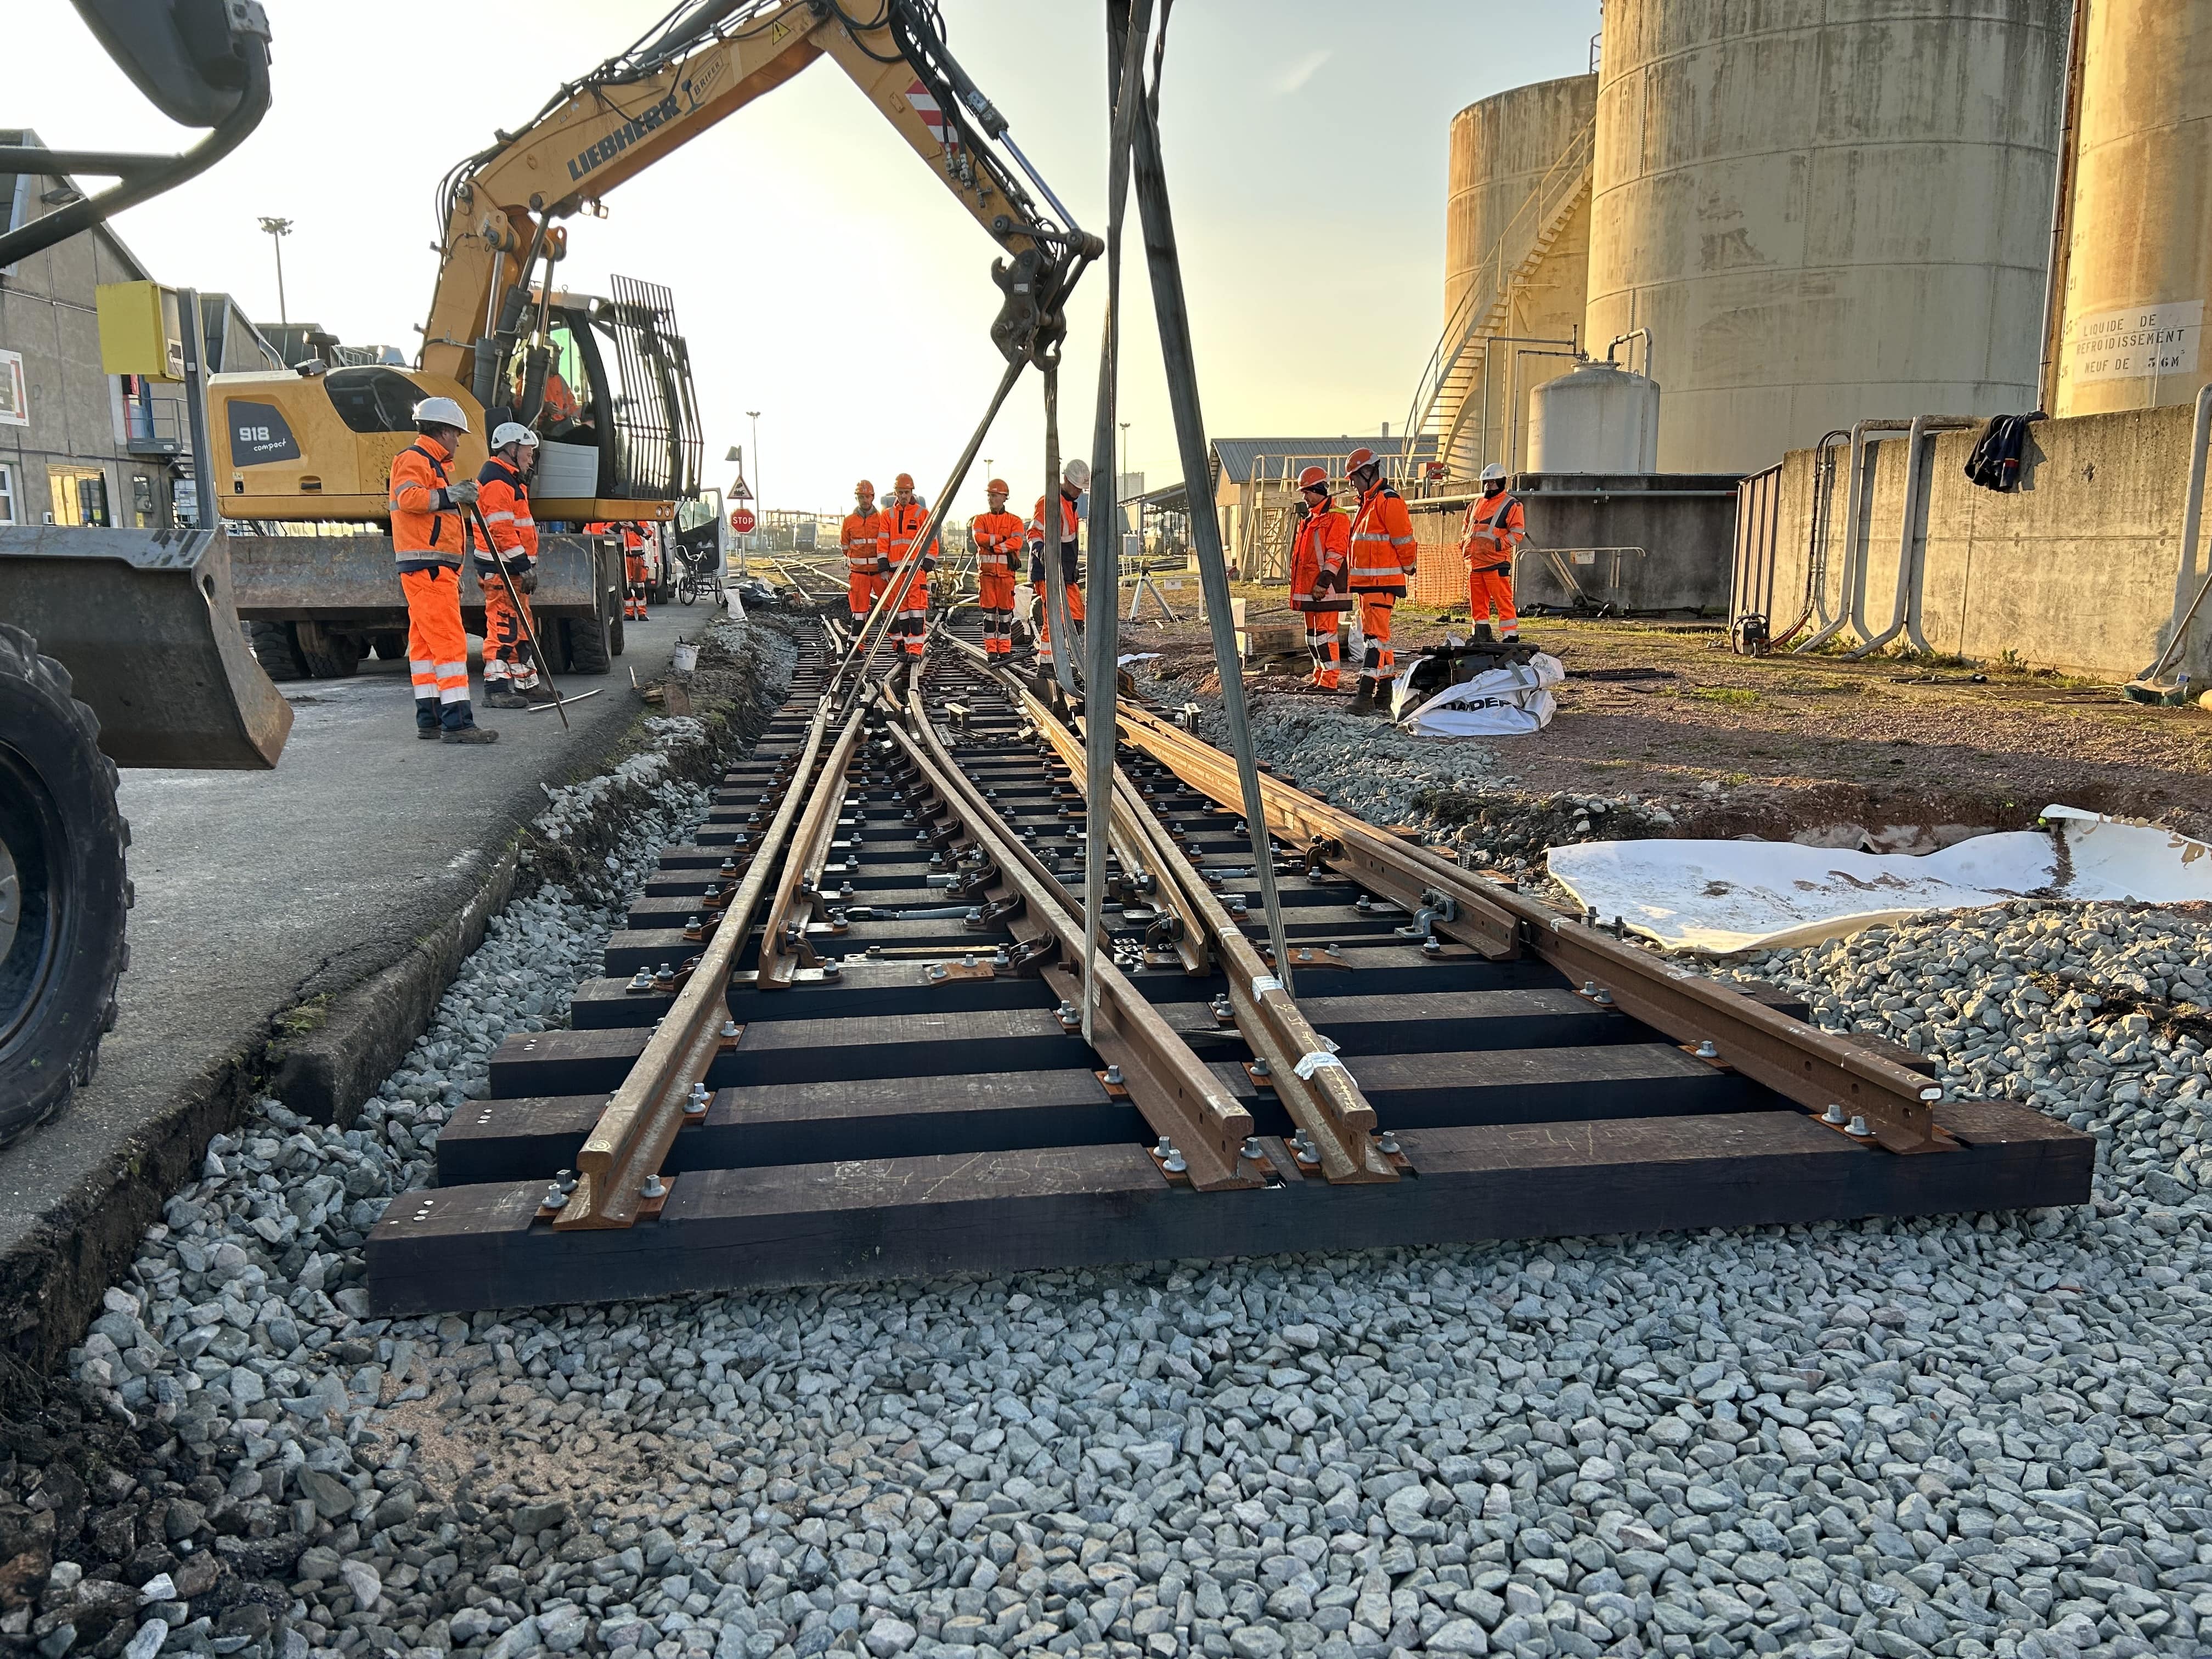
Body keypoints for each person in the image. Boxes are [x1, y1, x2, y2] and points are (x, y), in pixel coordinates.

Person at [388, 396, 495, 743]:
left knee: (424, 649)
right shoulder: (414, 459)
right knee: (450, 645)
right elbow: (409, 500)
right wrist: (452, 494)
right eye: (457, 434)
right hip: (428, 568)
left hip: (433, 569)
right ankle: (458, 724)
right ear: (444, 431)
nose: (460, 441)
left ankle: (430, 718)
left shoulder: (431, 464)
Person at [473, 422, 557, 709]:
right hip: (502, 570)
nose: (531, 459)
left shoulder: (509, 480)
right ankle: (495, 689)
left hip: (511, 570)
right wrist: (523, 565)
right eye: (528, 452)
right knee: (504, 629)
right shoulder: (498, 483)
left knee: (522, 628)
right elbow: (502, 530)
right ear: (512, 449)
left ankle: (526, 684)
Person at [1344, 445, 1417, 715]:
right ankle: (1385, 693)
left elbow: (1404, 539)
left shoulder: (1388, 501)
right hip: (1368, 585)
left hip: (1381, 584)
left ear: (1367, 471)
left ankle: (1364, 695)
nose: (1351, 484)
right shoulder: (1369, 505)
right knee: (1379, 639)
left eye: (1353, 478)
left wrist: (1408, 567)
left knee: (1374, 639)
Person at [1286, 465, 1350, 689]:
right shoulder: (1311, 519)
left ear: (1320, 489)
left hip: (1325, 589)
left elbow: (1336, 554)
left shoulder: (1336, 518)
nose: (1304, 496)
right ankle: (1319, 676)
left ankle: (1330, 680)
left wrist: (1323, 583)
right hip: (1310, 588)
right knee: (1312, 636)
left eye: (1307, 491)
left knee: (1325, 635)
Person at [1029, 459, 1089, 676]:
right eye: (1077, 487)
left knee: (1075, 617)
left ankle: (1059, 659)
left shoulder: (1071, 506)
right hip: (1048, 571)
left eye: (1082, 489)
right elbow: (1034, 533)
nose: (1080, 493)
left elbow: (1068, 541)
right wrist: (1043, 553)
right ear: (1065, 480)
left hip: (1065, 572)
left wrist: (1071, 568)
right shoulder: (1049, 502)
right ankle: (1047, 664)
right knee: (1056, 617)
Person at [1460, 462, 1524, 641]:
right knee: (1478, 603)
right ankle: (1480, 634)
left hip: (1495, 563)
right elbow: (1466, 527)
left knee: (1503, 600)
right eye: (1487, 483)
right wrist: (1463, 543)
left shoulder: (1511, 505)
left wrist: (1498, 545)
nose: (1489, 486)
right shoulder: (1475, 504)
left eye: (1493, 482)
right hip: (1475, 563)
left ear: (1502, 482)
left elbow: (1517, 533)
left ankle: (1510, 635)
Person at [883, 472, 938, 660]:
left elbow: (931, 540)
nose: (904, 496)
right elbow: (884, 541)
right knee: (904, 614)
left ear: (911, 492)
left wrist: (929, 561)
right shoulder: (888, 515)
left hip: (916, 572)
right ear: (895, 492)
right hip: (896, 573)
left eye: (906, 492)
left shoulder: (922, 514)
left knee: (916, 613)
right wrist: (883, 563)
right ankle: (907, 648)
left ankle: (916, 650)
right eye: (900, 492)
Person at [969, 478, 1024, 659]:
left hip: (1006, 576)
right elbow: (980, 539)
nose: (990, 499)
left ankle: (1005, 648)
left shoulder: (1015, 521)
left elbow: (1018, 541)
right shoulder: (981, 519)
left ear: (1004, 497)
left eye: (994, 496)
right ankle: (991, 649)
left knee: (1006, 616)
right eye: (989, 496)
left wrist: (996, 547)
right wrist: (1002, 538)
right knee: (990, 616)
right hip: (987, 576)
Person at [842, 478, 888, 631]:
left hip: (881, 573)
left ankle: (899, 646)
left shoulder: (883, 519)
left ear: (873, 497)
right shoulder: (848, 521)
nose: (864, 500)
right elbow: (845, 547)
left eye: (867, 497)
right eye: (861, 497)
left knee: (889, 609)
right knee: (859, 614)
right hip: (859, 574)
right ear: (857, 498)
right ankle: (857, 646)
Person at [621, 523, 651, 622]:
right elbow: (608, 531)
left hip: (637, 557)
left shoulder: (639, 519)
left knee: (639, 587)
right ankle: (629, 613)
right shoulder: (616, 517)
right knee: (626, 587)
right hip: (624, 557)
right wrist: (619, 524)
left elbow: (648, 534)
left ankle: (642, 613)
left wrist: (633, 526)